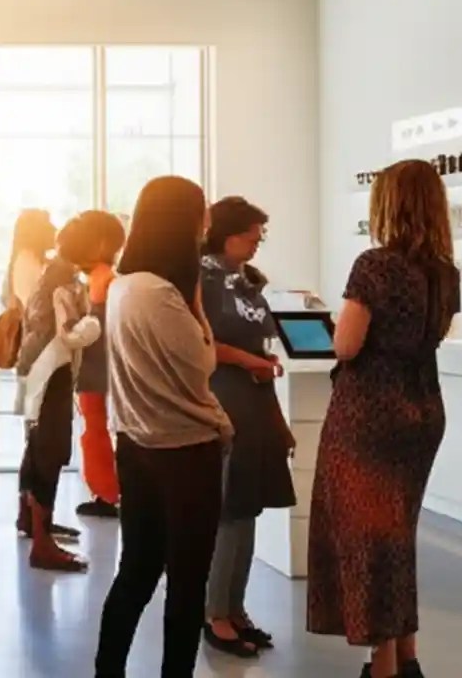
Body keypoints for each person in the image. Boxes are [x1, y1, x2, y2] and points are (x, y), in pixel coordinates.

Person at [307, 160, 460, 678]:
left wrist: (339, 325)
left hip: (369, 416)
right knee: (398, 536)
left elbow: (347, 344)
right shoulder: (443, 271)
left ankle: (385, 663)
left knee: (367, 540)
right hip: (422, 411)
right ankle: (408, 654)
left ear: (388, 204)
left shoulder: (374, 265)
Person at [95, 176, 234, 678]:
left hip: (136, 444)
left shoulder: (123, 286)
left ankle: (106, 669)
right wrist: (196, 302)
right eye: (203, 214)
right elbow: (203, 362)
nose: (208, 225)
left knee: (136, 571)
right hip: (184, 451)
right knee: (187, 583)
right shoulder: (162, 294)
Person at [199, 196, 297, 658]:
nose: (259, 239)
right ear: (227, 231)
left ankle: (235, 608)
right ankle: (215, 611)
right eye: (252, 232)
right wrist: (250, 360)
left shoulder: (245, 282)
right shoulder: (202, 278)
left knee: (249, 508)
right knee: (228, 512)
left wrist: (277, 418)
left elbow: (258, 343)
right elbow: (203, 343)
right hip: (223, 403)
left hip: (255, 404)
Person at [15, 213, 112, 571]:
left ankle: (34, 526)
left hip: (39, 371)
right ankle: (43, 543)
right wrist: (97, 323)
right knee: (51, 453)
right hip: (53, 373)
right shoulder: (66, 281)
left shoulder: (51, 272)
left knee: (38, 449)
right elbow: (70, 332)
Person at [73, 214, 126, 519]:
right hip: (102, 364)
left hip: (98, 366)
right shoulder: (105, 277)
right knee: (98, 429)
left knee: (95, 430)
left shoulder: (104, 277)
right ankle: (107, 491)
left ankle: (106, 493)